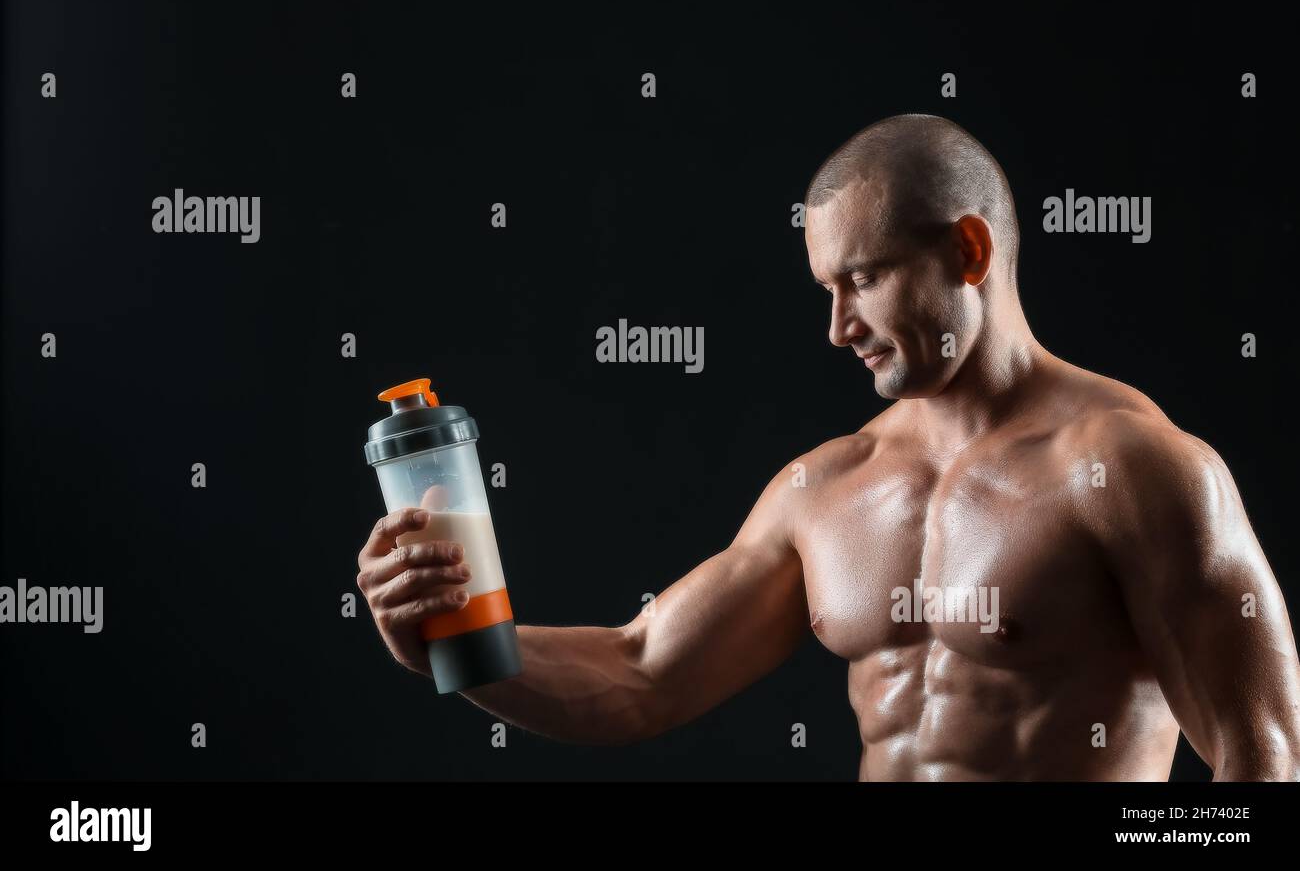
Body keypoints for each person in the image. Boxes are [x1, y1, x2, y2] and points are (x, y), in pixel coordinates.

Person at [356, 114, 1300, 780]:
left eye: (865, 278)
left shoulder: (1138, 470)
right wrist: (454, 646)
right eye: (825, 290)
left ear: (969, 253)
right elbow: (642, 673)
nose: (838, 327)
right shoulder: (825, 487)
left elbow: (1263, 769)